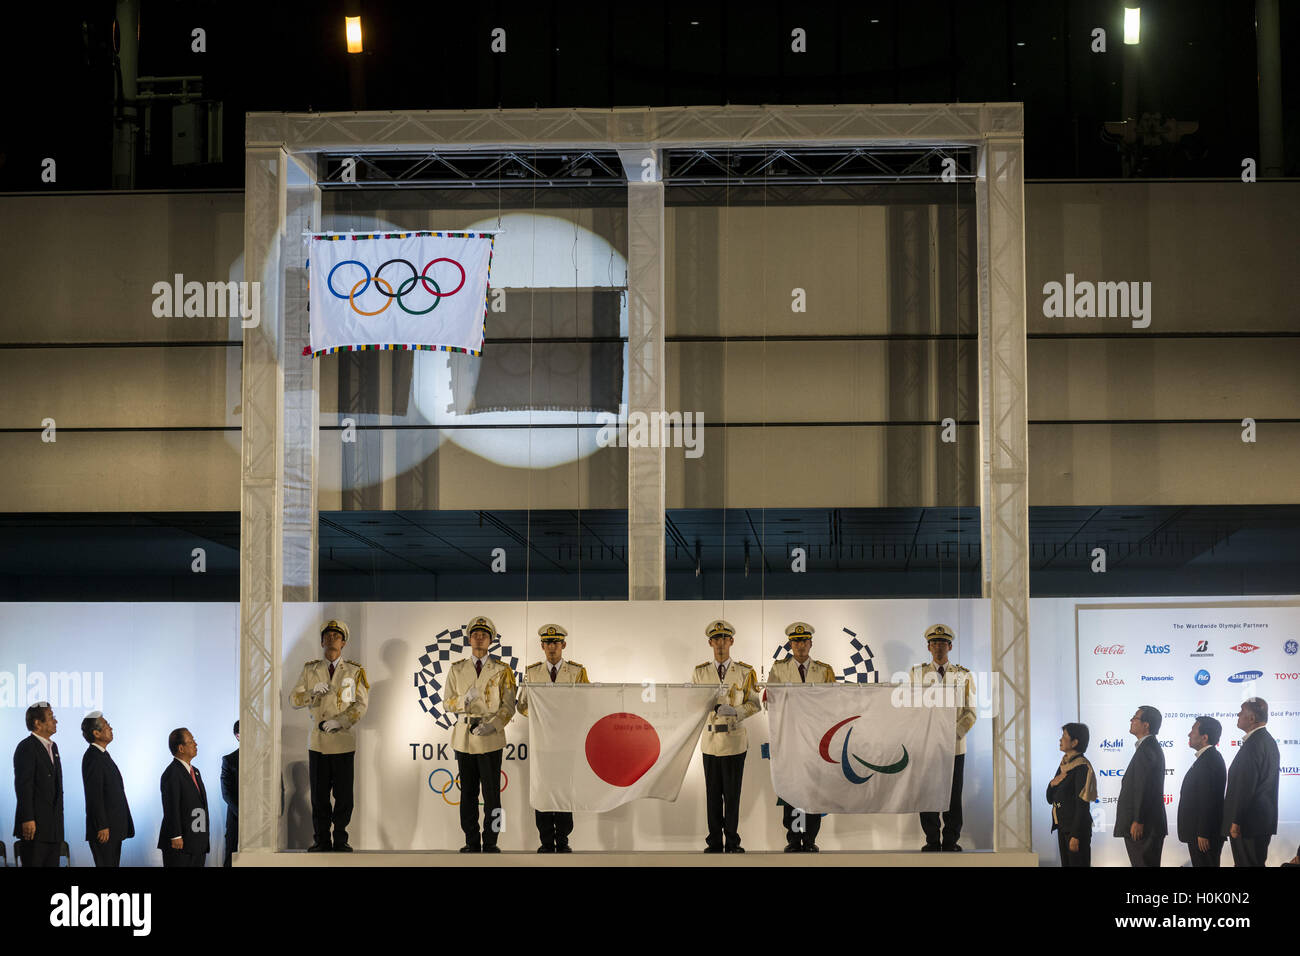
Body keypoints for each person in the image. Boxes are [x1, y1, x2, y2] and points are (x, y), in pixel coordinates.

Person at [289, 619, 370, 852]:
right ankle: (322, 839)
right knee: (319, 796)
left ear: (344, 643)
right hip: (318, 742)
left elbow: (361, 704)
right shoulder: (310, 669)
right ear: (322, 641)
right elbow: (294, 699)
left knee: (344, 796)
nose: (332, 638)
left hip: (343, 740)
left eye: (337, 636)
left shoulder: (354, 671)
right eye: (328, 635)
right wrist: (312, 693)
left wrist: (341, 721)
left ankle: (341, 838)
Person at [443, 615, 518, 853]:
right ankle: (471, 840)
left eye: (484, 635)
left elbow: (509, 705)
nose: (479, 638)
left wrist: (494, 725)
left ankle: (493, 841)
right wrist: (461, 701)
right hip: (464, 736)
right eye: (475, 634)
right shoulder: (457, 669)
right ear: (468, 639)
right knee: (467, 794)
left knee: (493, 795)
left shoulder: (502, 670)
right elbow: (446, 702)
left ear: (491, 640)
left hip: (490, 736)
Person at [517, 623, 589, 853]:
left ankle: (564, 839)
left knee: (564, 791)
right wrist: (540, 713)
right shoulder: (532, 672)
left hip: (567, 743)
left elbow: (586, 704)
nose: (551, 647)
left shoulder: (577, 672)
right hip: (542, 743)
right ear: (541, 646)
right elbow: (522, 706)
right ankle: (546, 840)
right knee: (543, 791)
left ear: (563, 645)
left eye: (556, 643)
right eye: (547, 643)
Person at [691, 620, 760, 853]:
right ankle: (713, 841)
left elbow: (755, 704)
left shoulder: (745, 672)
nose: (720, 644)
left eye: (724, 639)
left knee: (732, 795)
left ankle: (732, 841)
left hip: (734, 741)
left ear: (731, 641)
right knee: (712, 797)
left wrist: (737, 711)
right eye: (716, 639)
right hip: (710, 742)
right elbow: (692, 703)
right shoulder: (700, 672)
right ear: (710, 642)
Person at [767, 621, 835, 852]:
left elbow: (833, 704)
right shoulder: (778, 670)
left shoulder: (824, 670)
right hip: (790, 739)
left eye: (804, 641)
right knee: (792, 788)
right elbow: (771, 703)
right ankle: (794, 839)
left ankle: (811, 838)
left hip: (816, 740)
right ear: (790, 644)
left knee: (814, 789)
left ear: (811, 643)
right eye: (796, 641)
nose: (800, 645)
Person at [908, 623, 976, 851]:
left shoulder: (963, 675)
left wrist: (951, 734)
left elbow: (970, 711)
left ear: (950, 646)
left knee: (953, 796)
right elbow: (911, 709)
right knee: (927, 793)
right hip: (926, 746)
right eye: (934, 643)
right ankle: (931, 840)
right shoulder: (917, 674)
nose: (939, 647)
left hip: (954, 747)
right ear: (928, 647)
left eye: (943, 643)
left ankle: (950, 840)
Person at [1222, 697, 1280, 867]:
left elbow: (1245, 786)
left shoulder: (1254, 744)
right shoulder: (1266, 741)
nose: (1238, 714)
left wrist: (1236, 820)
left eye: (1241, 712)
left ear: (1252, 718)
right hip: (1258, 822)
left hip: (1247, 824)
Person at [1113, 705, 1167, 867]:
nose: (1131, 720)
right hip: (1145, 824)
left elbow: (1144, 788)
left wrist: (1138, 820)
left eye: (1135, 718)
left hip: (1144, 826)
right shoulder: (1146, 747)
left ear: (1146, 725)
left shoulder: (1147, 748)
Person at [12, 702, 63, 867]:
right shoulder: (27, 747)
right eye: (51, 717)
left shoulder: (53, 747)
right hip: (34, 828)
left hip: (53, 828)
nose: (55, 721)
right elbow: (23, 785)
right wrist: (27, 818)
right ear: (37, 723)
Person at [80, 711, 134, 867]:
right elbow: (94, 794)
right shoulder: (93, 757)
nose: (111, 728)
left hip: (113, 828)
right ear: (96, 733)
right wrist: (101, 825)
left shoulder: (103, 755)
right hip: (104, 831)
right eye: (106, 725)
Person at [1178, 716, 1226, 867]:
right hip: (1199, 833)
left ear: (1204, 737)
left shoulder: (1210, 760)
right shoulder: (1206, 758)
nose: (1189, 734)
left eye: (1193, 731)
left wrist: (1203, 832)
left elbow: (1209, 799)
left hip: (1204, 835)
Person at [1046, 722, 1096, 866]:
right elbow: (1050, 798)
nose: (1060, 740)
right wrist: (1052, 784)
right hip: (1063, 826)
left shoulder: (1081, 767)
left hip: (1076, 830)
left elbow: (1082, 804)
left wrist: (1076, 835)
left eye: (1064, 736)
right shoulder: (1064, 764)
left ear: (1075, 742)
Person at [158, 727, 209, 867]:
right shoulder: (172, 773)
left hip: (196, 841)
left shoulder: (195, 772)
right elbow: (171, 807)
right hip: (180, 844)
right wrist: (176, 835)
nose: (195, 744)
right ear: (181, 748)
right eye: (191, 741)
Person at [220, 720, 238, 867]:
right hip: (235, 817)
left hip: (260, 819)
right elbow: (226, 793)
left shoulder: (264, 757)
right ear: (238, 736)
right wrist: (242, 815)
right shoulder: (229, 760)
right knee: (231, 857)